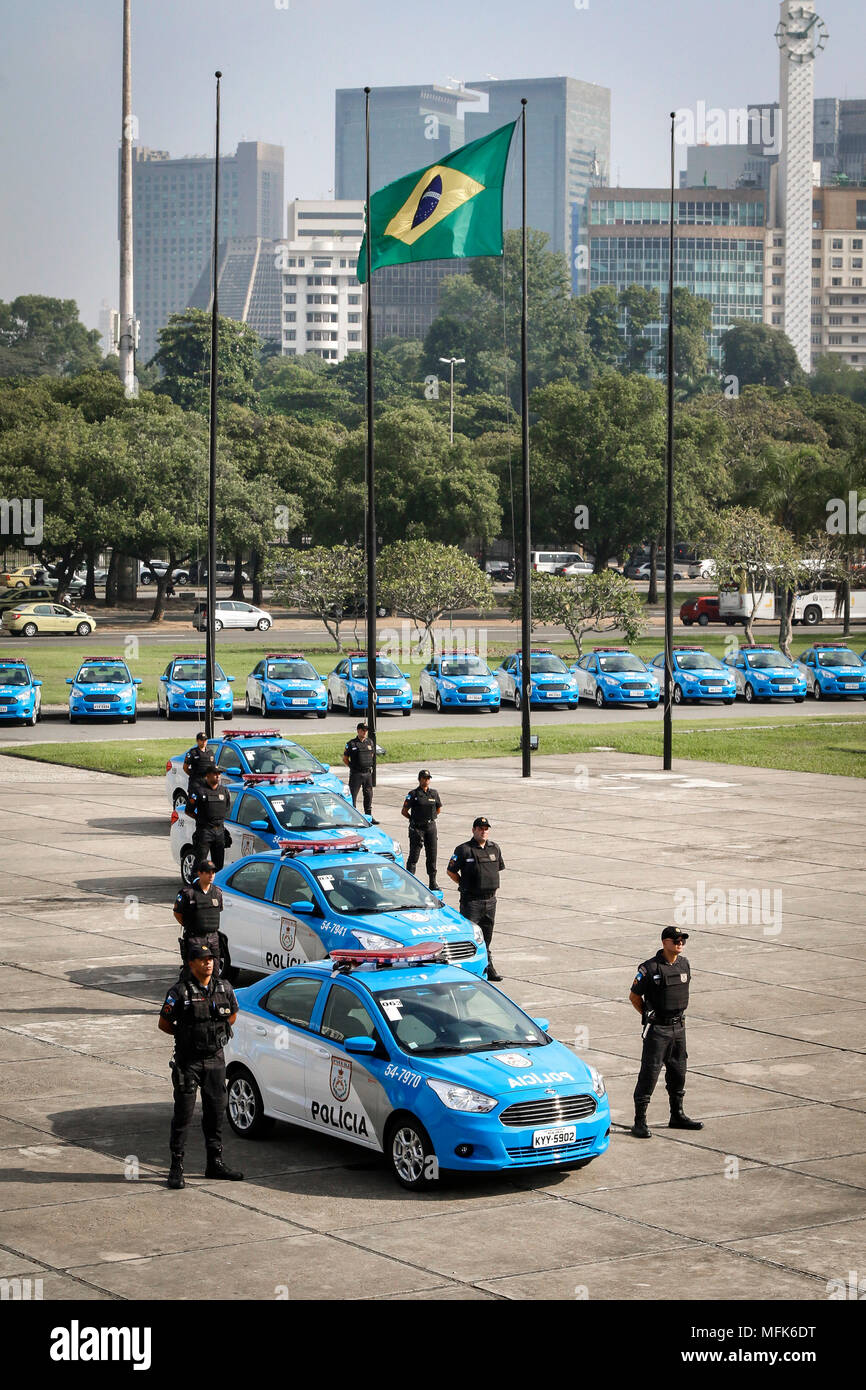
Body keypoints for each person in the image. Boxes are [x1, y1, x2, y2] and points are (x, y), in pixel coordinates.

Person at [158, 943, 243, 1189]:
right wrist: (187, 1038)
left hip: (215, 1060)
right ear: (191, 963)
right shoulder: (179, 992)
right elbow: (164, 1023)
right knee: (183, 1115)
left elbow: (233, 1015)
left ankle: (214, 1163)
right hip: (188, 1062)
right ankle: (176, 1167)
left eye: (211, 959)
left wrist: (213, 1036)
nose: (209, 963)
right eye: (203, 959)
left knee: (216, 1112)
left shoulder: (224, 988)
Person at [628, 927, 703, 1139]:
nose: (680, 943)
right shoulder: (649, 968)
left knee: (678, 1072)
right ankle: (639, 1121)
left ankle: (677, 1115)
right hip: (658, 1030)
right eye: (676, 940)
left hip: (679, 1028)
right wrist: (649, 1016)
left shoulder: (684, 964)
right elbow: (634, 996)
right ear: (664, 942)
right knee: (649, 1074)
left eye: (683, 940)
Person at [447, 817, 505, 982]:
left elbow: (497, 868)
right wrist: (464, 884)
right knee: (470, 936)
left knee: (487, 936)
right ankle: (468, 969)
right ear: (473, 830)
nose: (483, 831)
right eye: (480, 828)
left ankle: (488, 966)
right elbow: (451, 871)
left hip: (490, 900)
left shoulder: (495, 848)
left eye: (486, 828)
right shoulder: (464, 849)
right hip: (472, 901)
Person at [173, 859, 227, 975]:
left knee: (214, 971)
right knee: (193, 973)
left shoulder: (217, 893)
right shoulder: (188, 893)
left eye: (213, 872)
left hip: (213, 938)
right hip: (195, 938)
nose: (211, 875)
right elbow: (177, 913)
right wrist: (191, 925)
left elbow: (219, 910)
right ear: (199, 873)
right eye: (208, 872)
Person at [186, 765, 232, 871]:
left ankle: (213, 886)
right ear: (207, 775)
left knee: (219, 864)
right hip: (205, 831)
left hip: (220, 831)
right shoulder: (199, 791)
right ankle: (196, 885)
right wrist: (201, 819)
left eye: (219, 774)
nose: (217, 776)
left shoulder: (224, 791)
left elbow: (226, 808)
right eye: (215, 774)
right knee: (200, 862)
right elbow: (188, 810)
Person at [402, 768, 442, 890]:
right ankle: (409, 883)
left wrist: (429, 819)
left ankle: (432, 882)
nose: (426, 780)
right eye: (424, 778)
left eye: (428, 778)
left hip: (430, 827)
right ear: (419, 780)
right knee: (414, 856)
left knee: (432, 855)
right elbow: (404, 811)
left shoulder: (433, 793)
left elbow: (438, 809)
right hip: (417, 828)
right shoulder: (413, 794)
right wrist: (413, 820)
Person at [342, 720, 377, 821]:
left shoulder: (370, 742)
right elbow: (345, 759)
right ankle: (353, 816)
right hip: (356, 774)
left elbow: (371, 755)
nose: (365, 732)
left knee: (368, 795)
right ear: (358, 731)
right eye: (363, 730)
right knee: (353, 795)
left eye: (366, 730)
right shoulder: (351, 744)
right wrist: (353, 767)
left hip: (367, 773)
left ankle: (369, 816)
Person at [183, 732, 216, 800]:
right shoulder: (192, 752)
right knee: (193, 804)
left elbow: (213, 768)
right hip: (196, 783)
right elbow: (185, 767)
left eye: (205, 740)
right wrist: (193, 775)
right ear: (197, 741)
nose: (204, 742)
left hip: (207, 783)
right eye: (202, 740)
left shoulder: (210, 753)